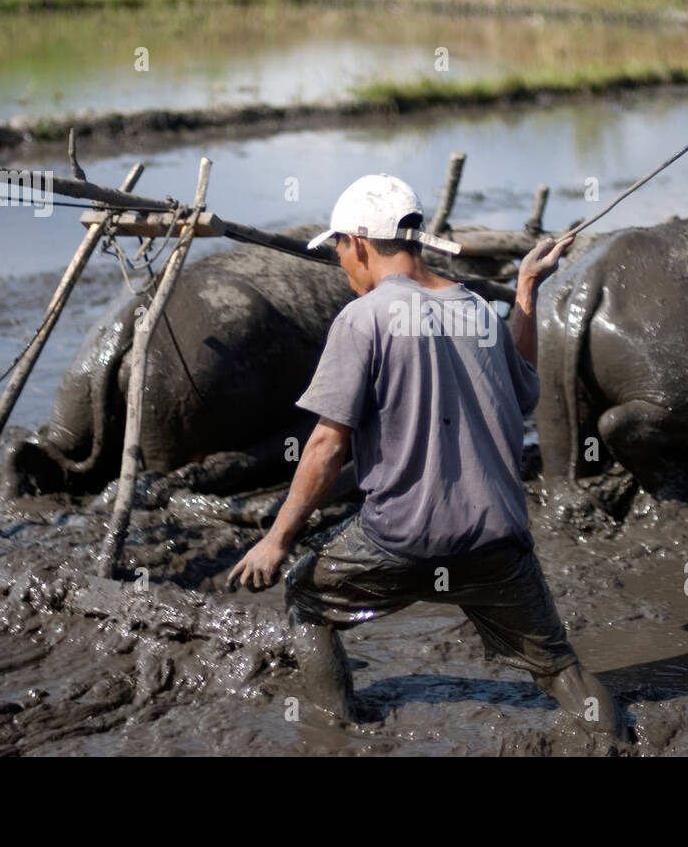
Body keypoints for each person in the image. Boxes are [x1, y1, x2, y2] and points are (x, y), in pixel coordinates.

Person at [227, 173, 623, 738]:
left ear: (359, 242)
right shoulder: (482, 313)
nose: (342, 263)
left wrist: (277, 539)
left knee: (304, 595)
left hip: (399, 538)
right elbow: (525, 389)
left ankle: (336, 733)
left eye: (340, 248)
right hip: (496, 539)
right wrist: (527, 293)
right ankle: (617, 741)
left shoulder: (362, 320)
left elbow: (326, 445)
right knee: (560, 668)